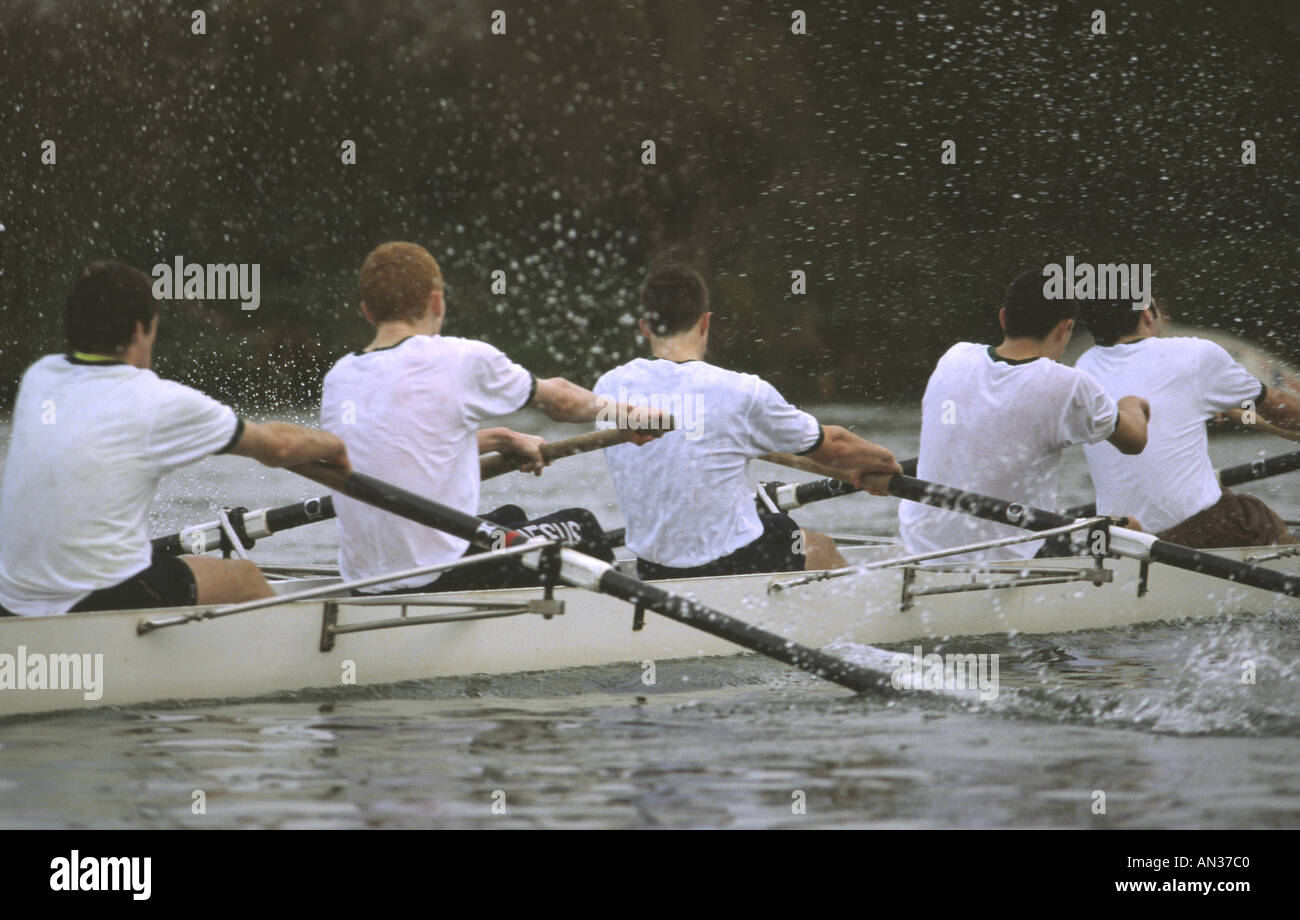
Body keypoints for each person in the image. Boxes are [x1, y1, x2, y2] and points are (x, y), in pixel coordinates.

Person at [0, 262, 349, 617]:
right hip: (91, 597)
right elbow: (279, 448)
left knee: (172, 565)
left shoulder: (39, 378)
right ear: (139, 329)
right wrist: (335, 445)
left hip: (11, 599)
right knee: (244, 578)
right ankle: (295, 661)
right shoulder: (155, 401)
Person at [320, 241, 657, 594]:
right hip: (440, 575)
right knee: (581, 525)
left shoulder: (340, 375)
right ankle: (612, 623)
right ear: (437, 301)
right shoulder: (459, 358)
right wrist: (628, 415)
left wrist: (502, 438)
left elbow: (403, 445)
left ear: (368, 312)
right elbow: (559, 401)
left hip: (365, 580)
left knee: (510, 518)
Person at [593, 264, 902, 580]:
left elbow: (675, 453)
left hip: (653, 567)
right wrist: (883, 461)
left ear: (645, 328)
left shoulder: (608, 388)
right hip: (736, 561)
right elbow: (833, 446)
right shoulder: (740, 392)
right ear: (704, 322)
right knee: (817, 545)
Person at [898, 269, 1150, 563]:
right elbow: (1134, 441)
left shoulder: (954, 357)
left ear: (1003, 318)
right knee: (1126, 528)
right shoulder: (1067, 384)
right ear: (1064, 328)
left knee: (1053, 514)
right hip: (1015, 557)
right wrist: (1133, 404)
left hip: (922, 547)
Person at [1077, 296, 1299, 547]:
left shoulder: (1082, 368)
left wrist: (1225, 406)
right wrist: (1233, 406)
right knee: (1261, 516)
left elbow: (1245, 411)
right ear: (1147, 314)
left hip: (1119, 537)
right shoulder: (1193, 355)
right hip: (1194, 531)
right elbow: (1284, 413)